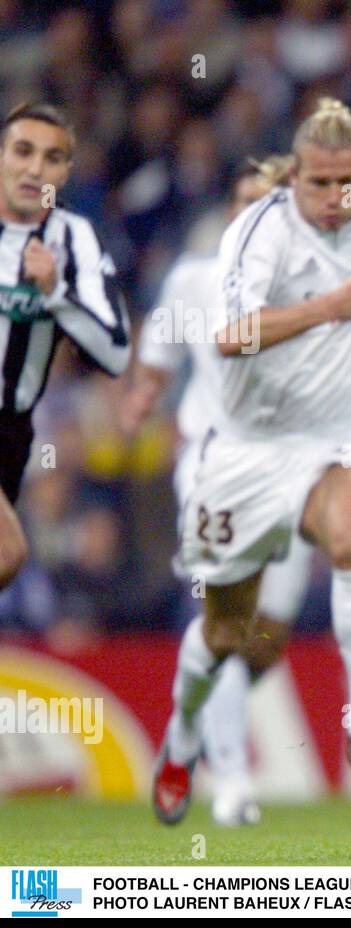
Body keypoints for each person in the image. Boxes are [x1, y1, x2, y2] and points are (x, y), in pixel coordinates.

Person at [124, 156, 351, 826]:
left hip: (299, 465)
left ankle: (187, 727)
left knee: (260, 637)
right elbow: (165, 356)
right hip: (217, 466)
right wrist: (143, 391)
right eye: (243, 201)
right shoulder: (195, 281)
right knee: (228, 627)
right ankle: (229, 780)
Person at [0, 101, 129, 589]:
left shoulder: (75, 240)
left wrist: (56, 292)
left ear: (66, 172)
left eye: (52, 158)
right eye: (23, 151)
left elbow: (115, 351)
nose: (36, 168)